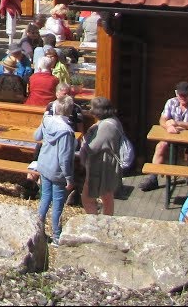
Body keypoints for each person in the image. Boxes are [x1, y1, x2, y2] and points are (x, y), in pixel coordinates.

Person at [139, 81, 188, 192]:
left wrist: (177, 123)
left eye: (185, 95)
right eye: (180, 95)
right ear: (176, 93)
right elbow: (162, 119)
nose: (183, 97)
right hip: (172, 136)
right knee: (160, 146)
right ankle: (153, 177)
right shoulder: (171, 102)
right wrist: (168, 126)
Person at [34, 96, 77, 245]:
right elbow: (64, 158)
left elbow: (36, 136)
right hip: (57, 171)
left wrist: (43, 120)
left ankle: (37, 230)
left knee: (45, 197)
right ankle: (57, 236)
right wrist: (69, 178)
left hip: (44, 164)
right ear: (70, 111)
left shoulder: (47, 121)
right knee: (58, 204)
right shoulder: (66, 131)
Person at [80, 97, 125, 216]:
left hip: (101, 165)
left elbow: (93, 147)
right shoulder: (113, 120)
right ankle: (107, 221)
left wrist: (84, 140)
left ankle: (96, 223)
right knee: (107, 196)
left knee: (87, 198)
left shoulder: (106, 126)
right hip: (108, 164)